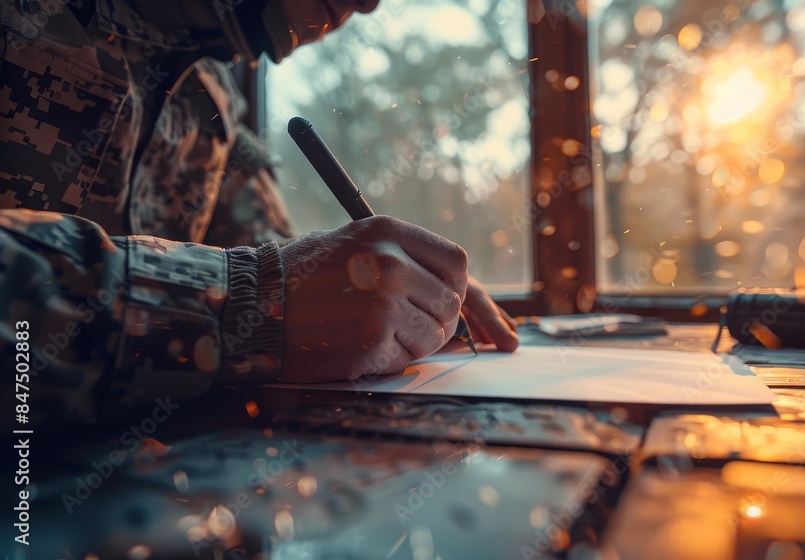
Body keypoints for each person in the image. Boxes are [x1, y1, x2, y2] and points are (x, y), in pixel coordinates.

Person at [0, 0, 519, 426]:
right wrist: (243, 302)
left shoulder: (209, 94)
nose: (370, 3)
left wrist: (390, 294)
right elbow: (264, 288)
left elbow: (293, 278)